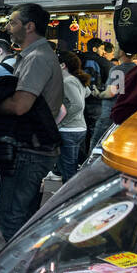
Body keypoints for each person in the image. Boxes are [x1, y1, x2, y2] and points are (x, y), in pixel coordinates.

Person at [0, 4, 64, 241]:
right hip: (33, 148)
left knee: (12, 217)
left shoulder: (37, 58)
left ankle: (17, 271)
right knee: (25, 217)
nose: (7, 28)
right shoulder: (36, 56)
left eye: (13, 22)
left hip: (29, 150)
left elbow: (20, 105)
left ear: (29, 26)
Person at [91, 41, 137, 145]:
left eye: (116, 48)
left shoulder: (118, 70)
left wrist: (98, 94)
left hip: (110, 114)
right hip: (129, 115)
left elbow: (111, 92)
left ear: (122, 52)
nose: (114, 50)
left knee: (97, 144)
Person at [55, 51, 89, 181]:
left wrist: (61, 122)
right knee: (71, 166)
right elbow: (87, 93)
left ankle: (70, 198)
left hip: (69, 130)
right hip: (79, 129)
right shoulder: (76, 79)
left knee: (68, 170)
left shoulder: (68, 81)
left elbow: (78, 105)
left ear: (63, 65)